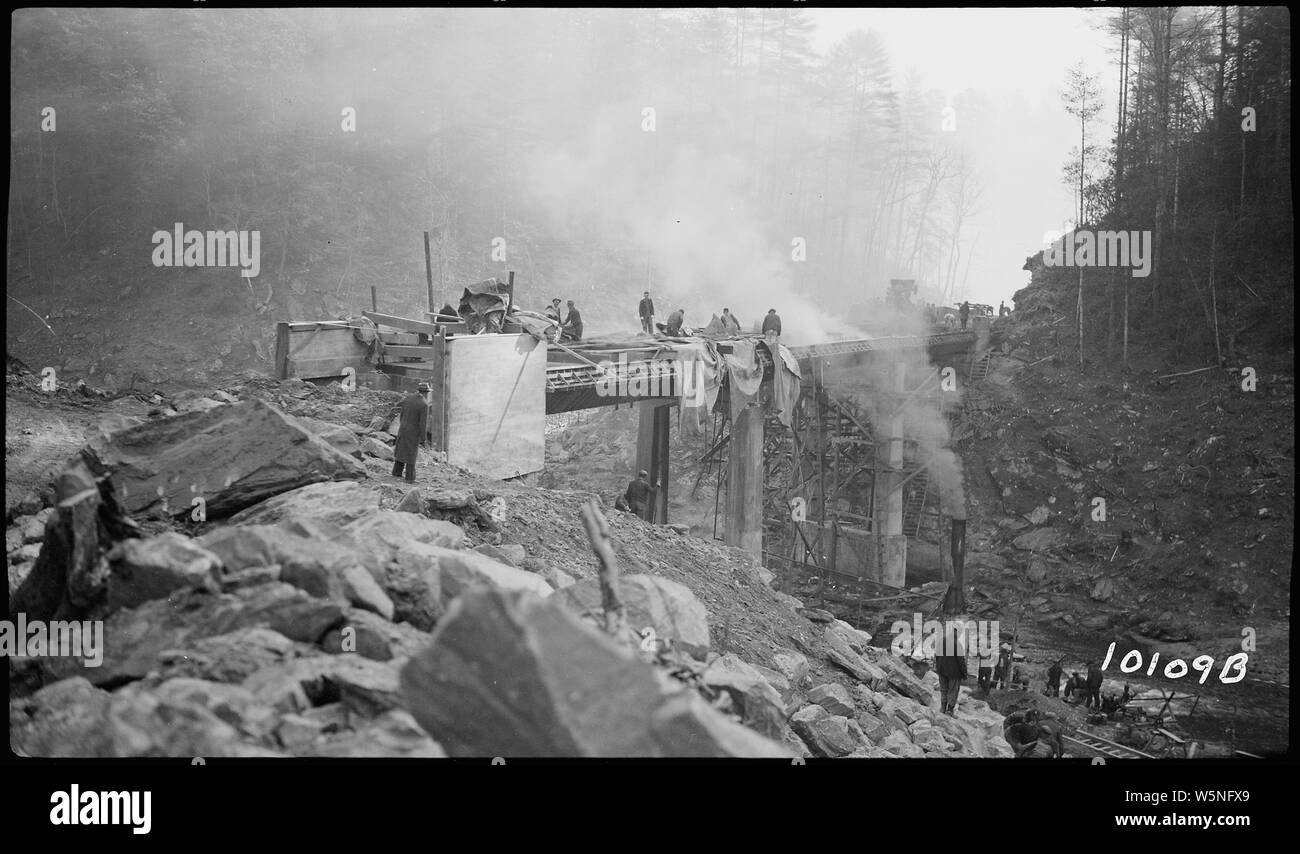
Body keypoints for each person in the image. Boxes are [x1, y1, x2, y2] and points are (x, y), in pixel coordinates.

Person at [392, 382, 430, 484]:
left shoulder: (408, 398)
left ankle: (396, 472)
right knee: (411, 454)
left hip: (403, 428)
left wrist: (403, 425)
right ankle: (410, 477)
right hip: (413, 432)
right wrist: (423, 439)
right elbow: (423, 424)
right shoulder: (424, 404)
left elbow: (402, 414)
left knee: (401, 450)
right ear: (426, 392)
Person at [934, 622, 967, 716]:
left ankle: (942, 708)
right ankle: (949, 710)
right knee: (953, 691)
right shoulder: (958, 644)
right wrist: (964, 674)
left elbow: (937, 655)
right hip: (954, 673)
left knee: (943, 689)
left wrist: (939, 667)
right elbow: (961, 661)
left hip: (942, 670)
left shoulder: (942, 640)